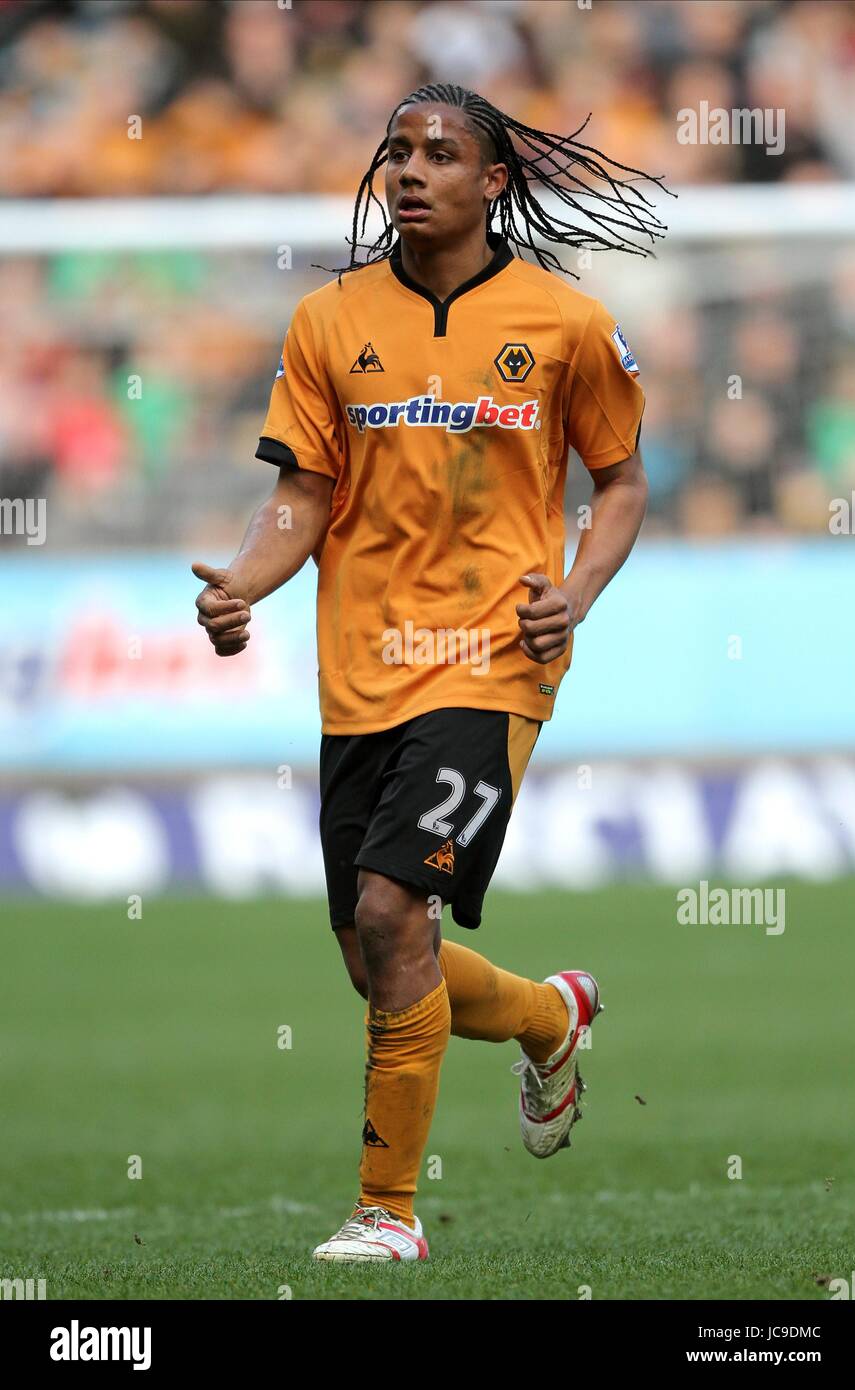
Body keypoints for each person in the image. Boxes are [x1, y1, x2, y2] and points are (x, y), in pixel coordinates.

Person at [193, 82, 664, 1263]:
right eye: (396, 150)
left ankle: (386, 1214)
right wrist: (248, 580)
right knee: (372, 954)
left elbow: (622, 480)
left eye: (440, 152)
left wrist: (580, 590)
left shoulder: (563, 323)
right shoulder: (326, 321)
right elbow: (302, 494)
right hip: (362, 666)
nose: (408, 169)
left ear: (493, 182)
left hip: (497, 659)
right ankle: (550, 1014)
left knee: (393, 908)